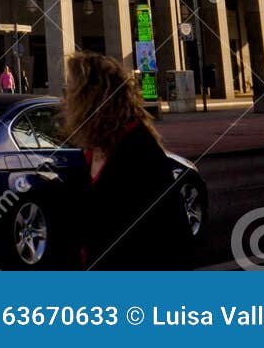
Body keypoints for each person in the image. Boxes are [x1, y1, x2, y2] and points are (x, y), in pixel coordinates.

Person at [60, 51, 193, 271]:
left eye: (69, 92)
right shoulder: (92, 151)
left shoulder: (139, 151)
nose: (64, 100)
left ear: (90, 98)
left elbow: (168, 238)